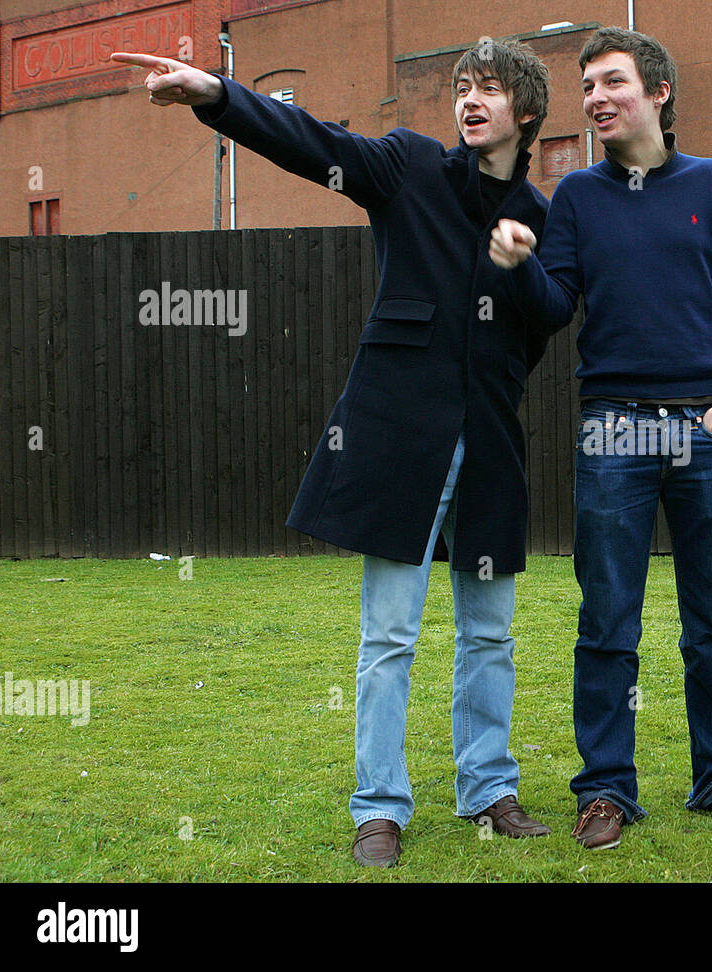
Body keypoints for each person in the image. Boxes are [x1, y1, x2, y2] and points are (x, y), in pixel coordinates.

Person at [113, 39, 556, 865]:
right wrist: (216, 92)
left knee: (489, 636)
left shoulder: (540, 212)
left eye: (489, 88)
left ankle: (489, 790)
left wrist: (520, 267)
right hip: (399, 442)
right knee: (389, 636)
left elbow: (557, 309)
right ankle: (379, 806)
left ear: (525, 111)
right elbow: (314, 143)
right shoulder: (408, 166)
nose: (470, 99)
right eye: (463, 86)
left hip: (492, 444)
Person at [489, 26, 712, 849]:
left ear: (658, 93)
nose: (595, 99)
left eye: (611, 82)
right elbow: (556, 309)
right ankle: (606, 791)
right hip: (611, 430)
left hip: (707, 429)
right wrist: (521, 265)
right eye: (587, 87)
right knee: (608, 621)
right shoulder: (578, 197)